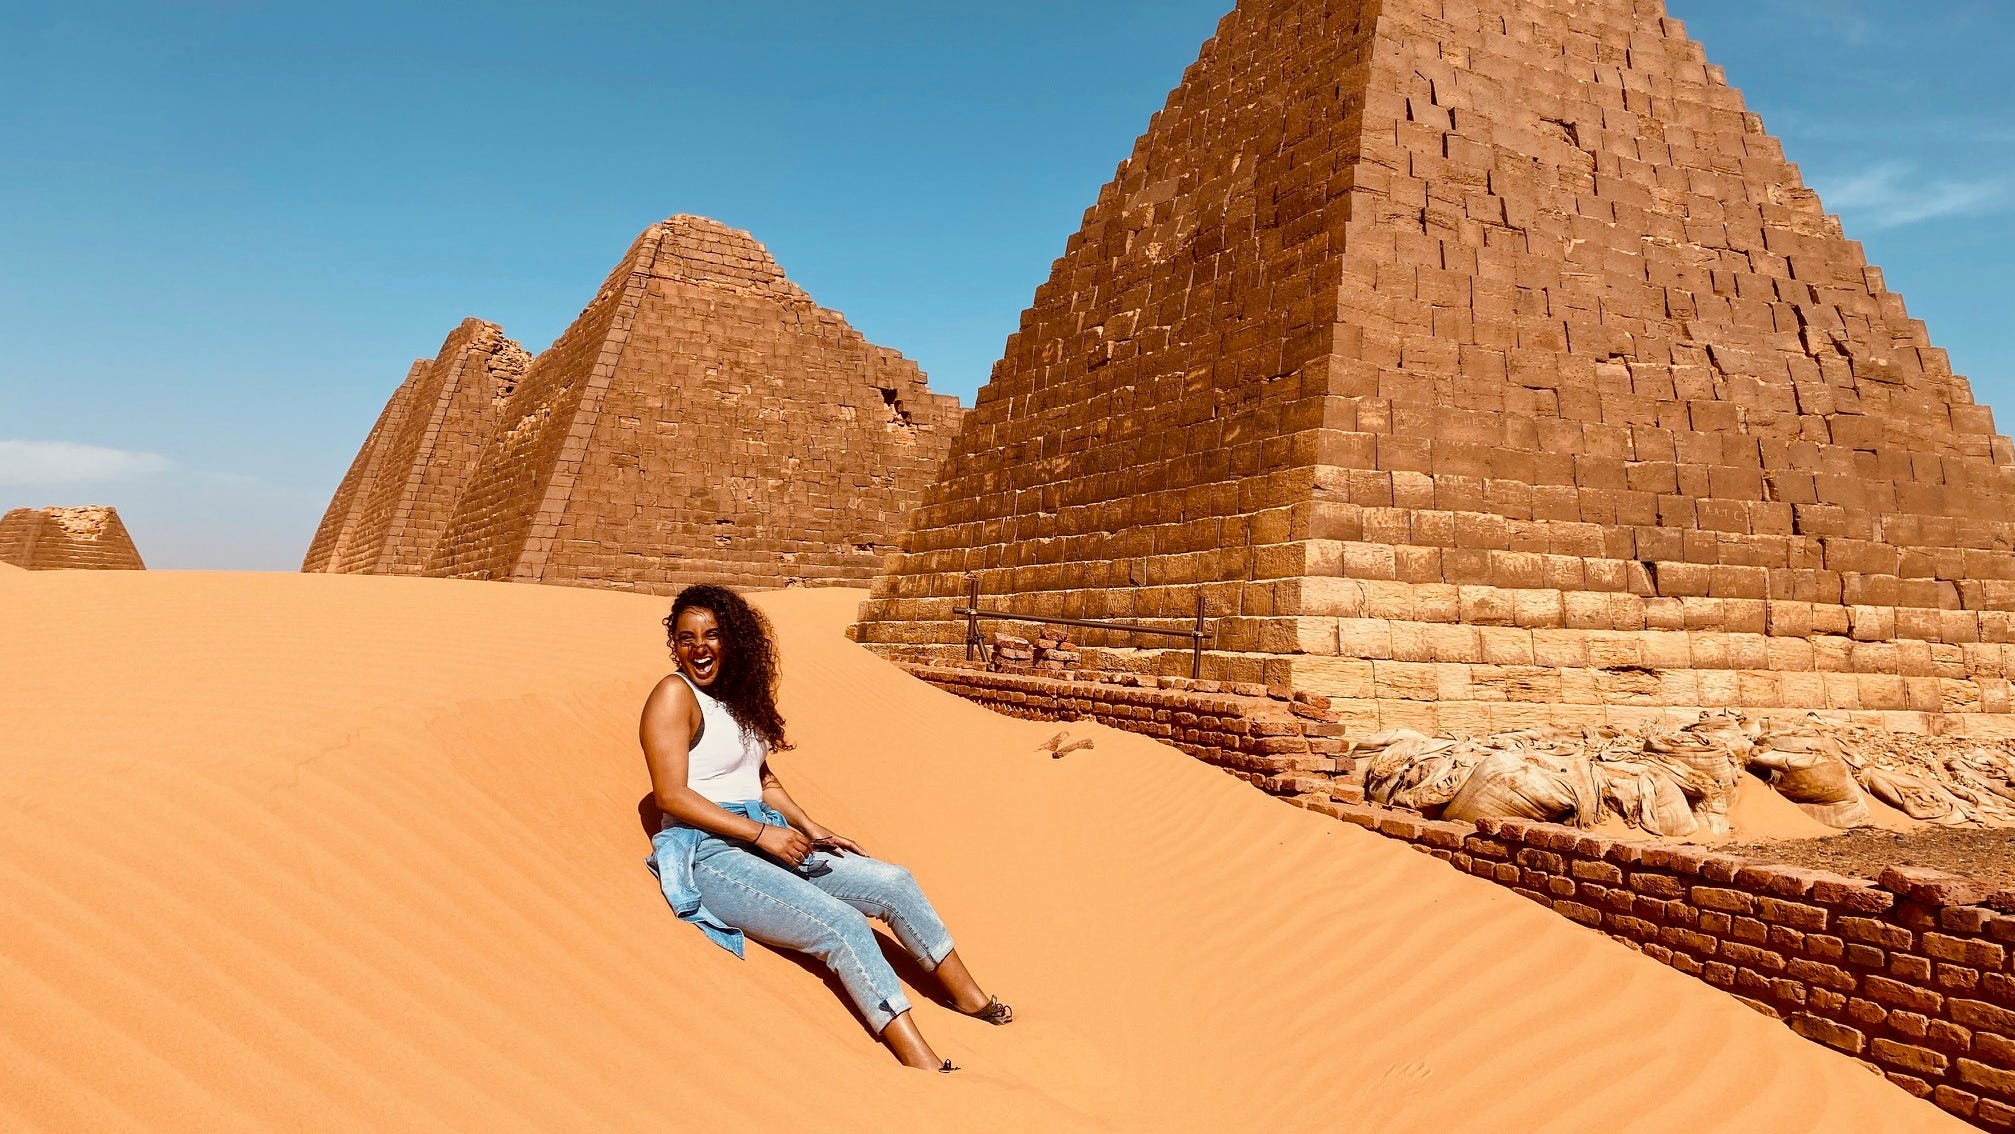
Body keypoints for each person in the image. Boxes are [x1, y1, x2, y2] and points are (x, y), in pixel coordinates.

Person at [641, 583, 1011, 1072]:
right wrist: (759, 835)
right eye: (686, 638)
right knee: (842, 925)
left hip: (767, 836)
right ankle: (919, 1060)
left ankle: (971, 1000)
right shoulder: (673, 694)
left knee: (893, 884)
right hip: (712, 853)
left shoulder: (734, 699)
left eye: (712, 635)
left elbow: (761, 778)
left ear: (732, 639)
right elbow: (671, 795)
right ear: (674, 645)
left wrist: (809, 825)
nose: (700, 648)